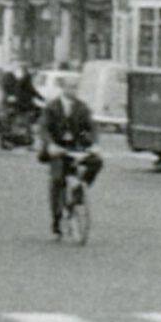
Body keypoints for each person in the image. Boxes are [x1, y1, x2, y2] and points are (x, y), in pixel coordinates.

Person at [38, 73, 101, 237]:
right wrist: (50, 144)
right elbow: (44, 128)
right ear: (63, 88)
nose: (73, 91)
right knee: (58, 179)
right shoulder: (52, 107)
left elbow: (92, 126)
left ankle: (79, 191)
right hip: (57, 149)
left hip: (76, 148)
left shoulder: (82, 107)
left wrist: (94, 144)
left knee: (96, 162)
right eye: (69, 87)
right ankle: (56, 219)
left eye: (75, 87)